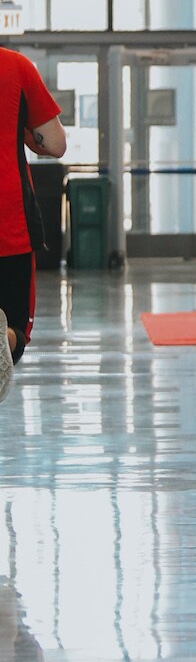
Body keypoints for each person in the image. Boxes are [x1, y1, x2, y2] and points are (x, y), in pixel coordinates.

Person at [0, 45, 66, 400]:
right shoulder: (16, 67)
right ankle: (3, 337)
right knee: (15, 332)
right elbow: (55, 144)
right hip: (8, 226)